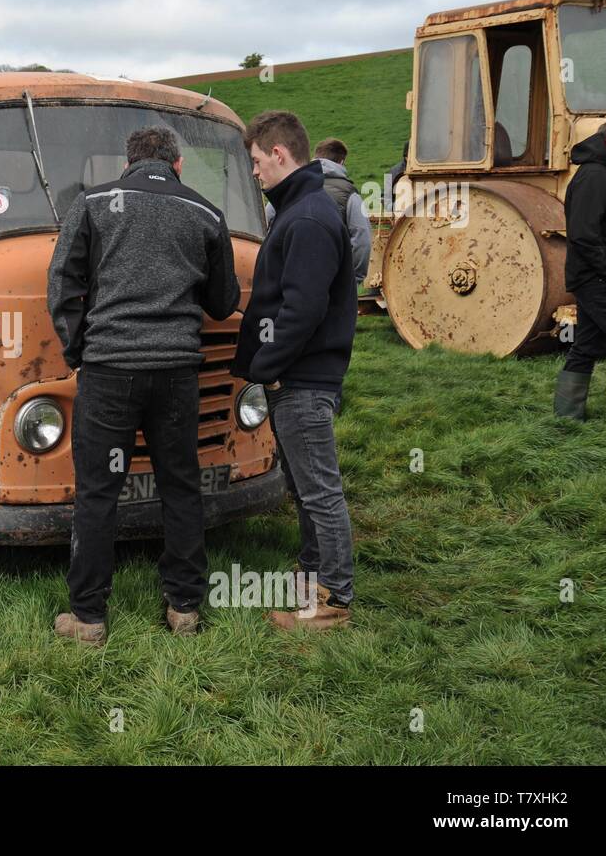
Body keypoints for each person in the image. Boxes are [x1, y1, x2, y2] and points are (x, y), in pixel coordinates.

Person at [47, 127, 240, 645]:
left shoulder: (93, 204)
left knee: (97, 492)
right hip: (177, 374)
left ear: (127, 161)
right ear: (178, 165)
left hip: (109, 370)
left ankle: (88, 617)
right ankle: (184, 608)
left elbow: (62, 285)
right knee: (181, 486)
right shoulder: (206, 213)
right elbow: (223, 302)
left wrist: (79, 354)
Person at [232, 111, 357, 631]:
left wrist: (270, 368)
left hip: (302, 379)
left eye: (258, 162)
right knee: (307, 488)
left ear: (279, 154)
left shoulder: (305, 217)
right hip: (299, 375)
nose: (255, 173)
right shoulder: (300, 209)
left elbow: (301, 309)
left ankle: (333, 600)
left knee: (320, 491)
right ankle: (312, 576)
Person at [553, 116, 606, 420]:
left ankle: (567, 417)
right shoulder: (594, 176)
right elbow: (583, 234)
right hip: (596, 277)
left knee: (589, 343)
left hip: (598, 275)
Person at [263, 137, 371, 286]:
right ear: (342, 162)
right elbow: (362, 237)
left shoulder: (290, 184)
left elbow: (265, 219)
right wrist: (354, 277)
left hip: (288, 271)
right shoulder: (350, 194)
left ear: (316, 157)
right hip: (332, 277)